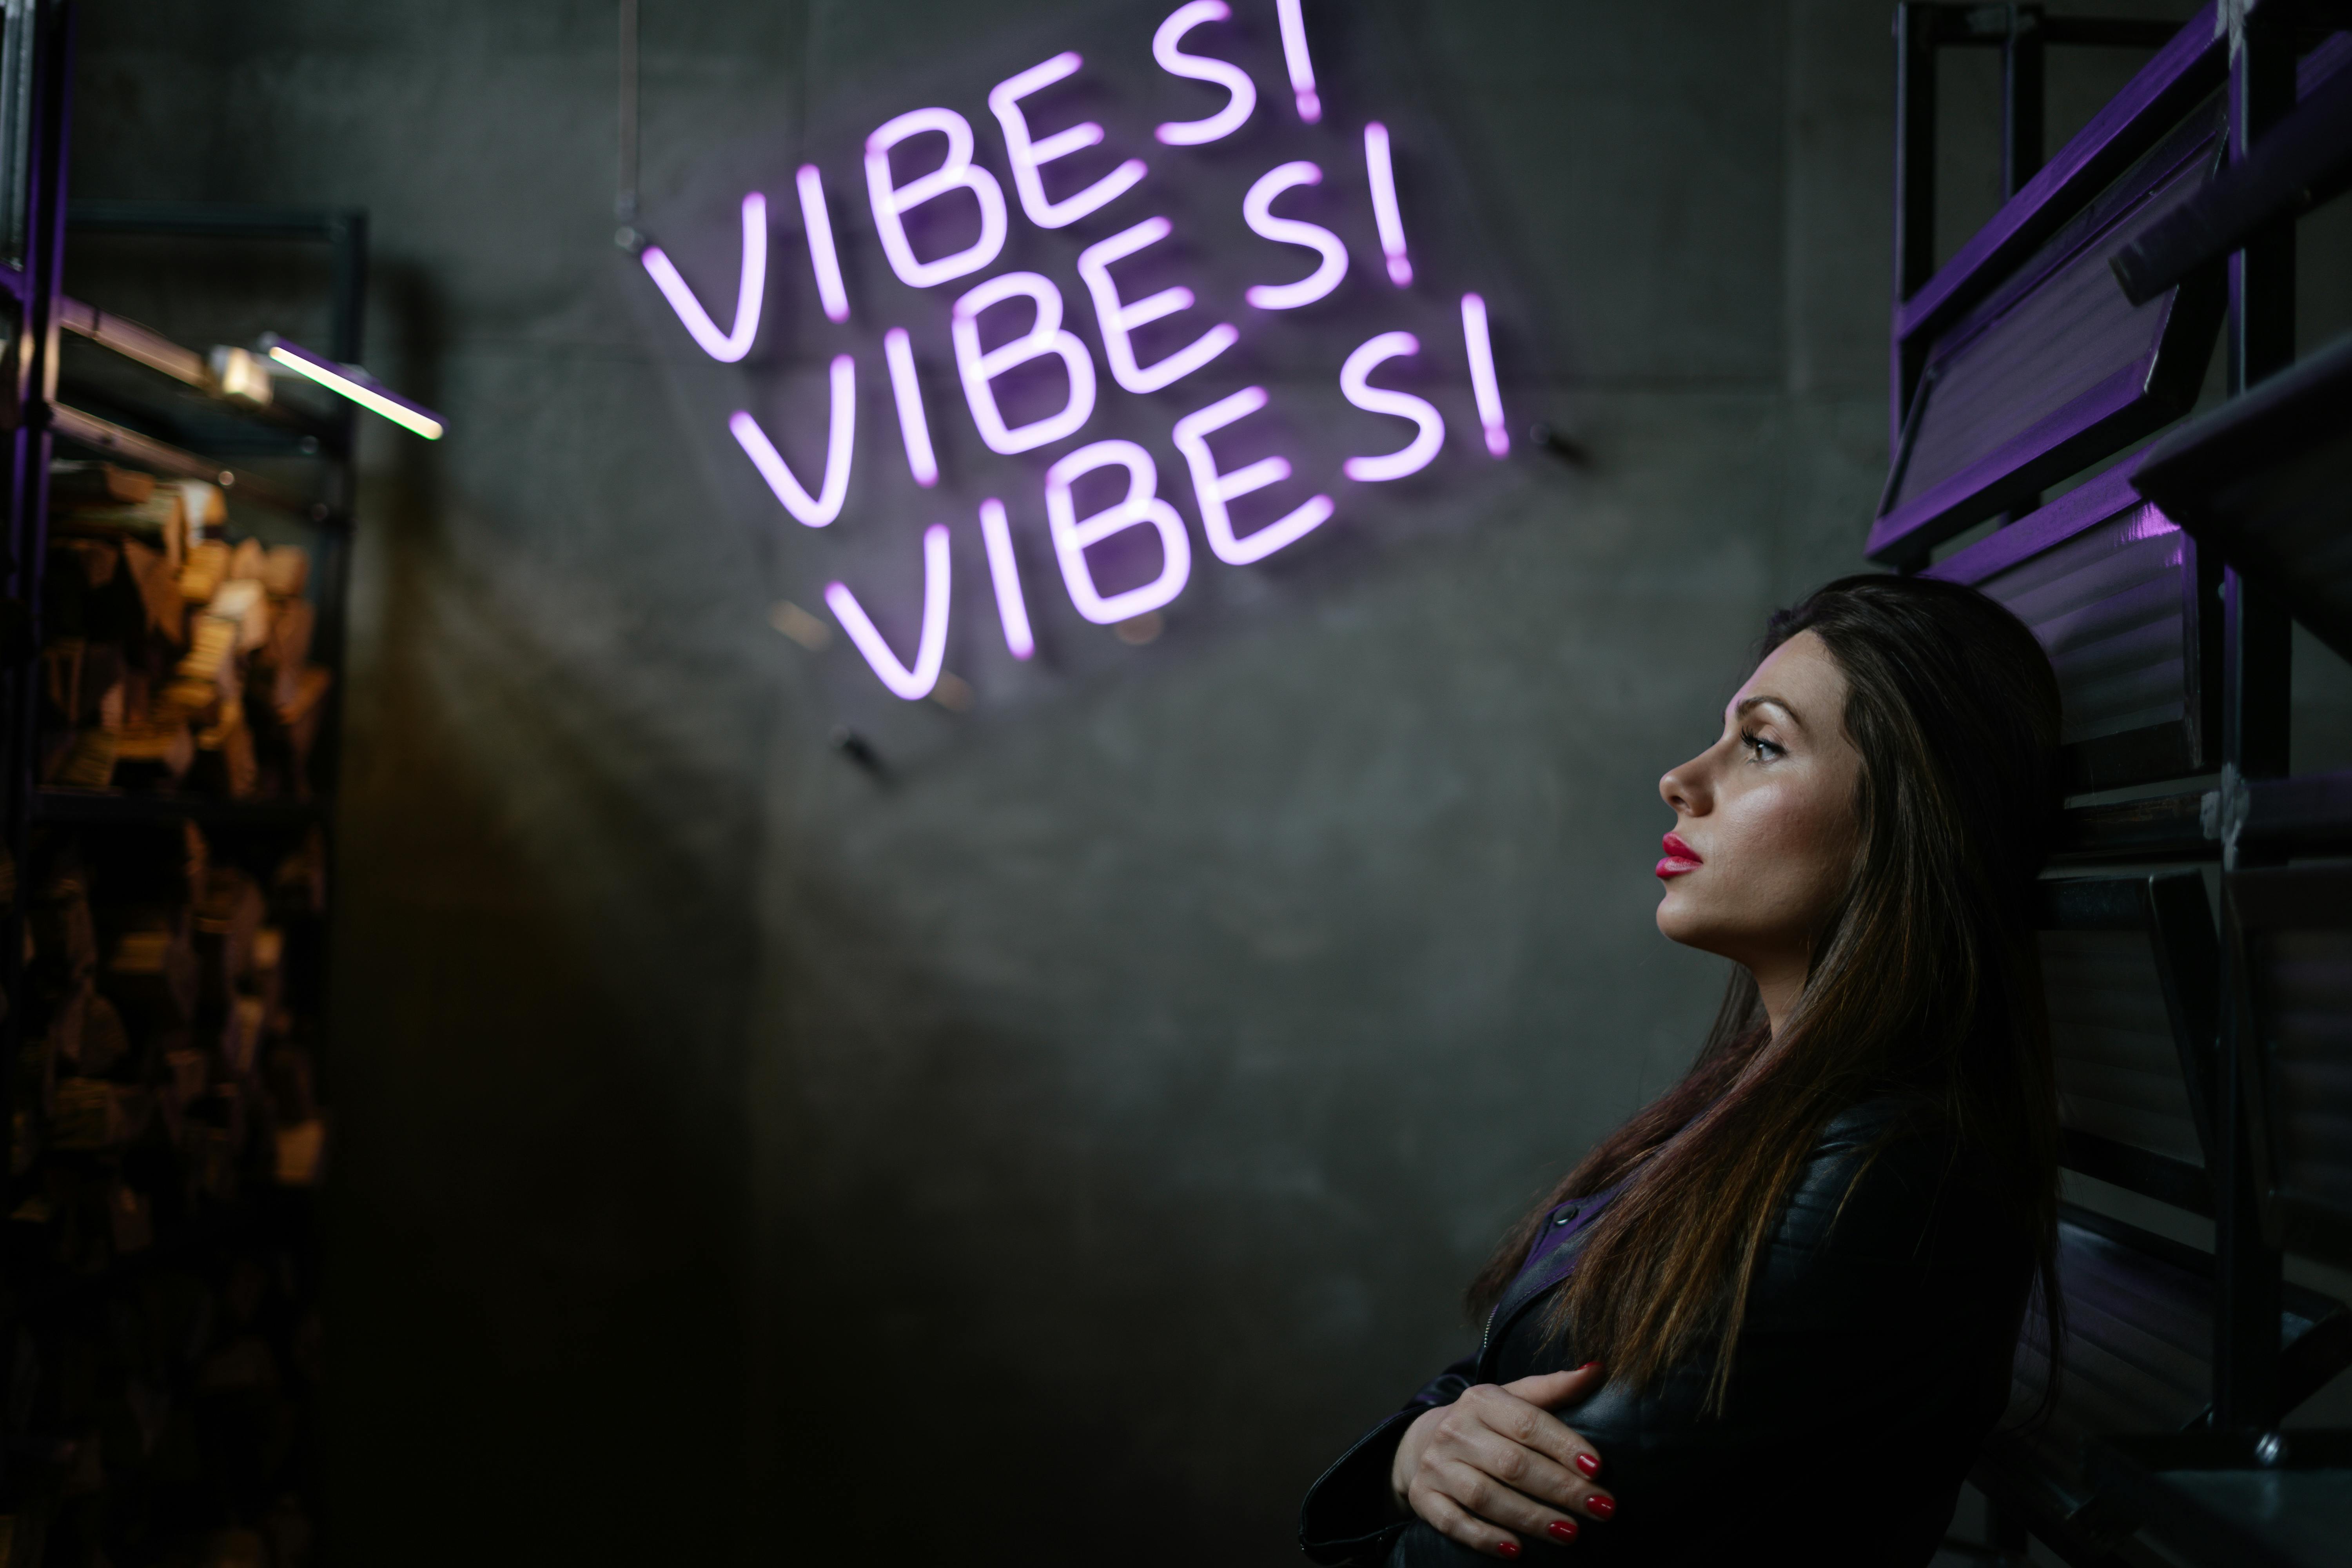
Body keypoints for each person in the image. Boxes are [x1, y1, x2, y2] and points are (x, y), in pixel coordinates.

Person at [1298, 575, 2065, 1566]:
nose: (1681, 778)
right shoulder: (1754, 1115)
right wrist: (1417, 1449)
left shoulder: (1878, 1180)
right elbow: (1510, 1375)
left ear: (1908, 815)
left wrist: (1423, 1466)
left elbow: (1551, 1528)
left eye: (1763, 744)